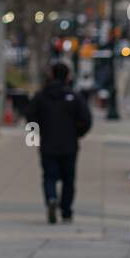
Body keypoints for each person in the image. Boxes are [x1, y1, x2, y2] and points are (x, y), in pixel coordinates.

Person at [25, 60, 92, 224]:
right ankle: (66, 211)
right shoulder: (74, 97)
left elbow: (30, 117)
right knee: (69, 179)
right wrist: (76, 134)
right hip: (69, 145)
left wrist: (33, 139)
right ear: (68, 77)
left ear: (51, 75)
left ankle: (51, 198)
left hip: (47, 144)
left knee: (49, 176)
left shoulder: (41, 96)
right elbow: (86, 120)